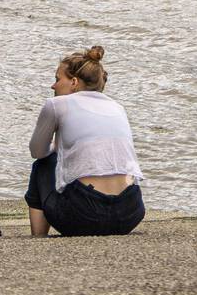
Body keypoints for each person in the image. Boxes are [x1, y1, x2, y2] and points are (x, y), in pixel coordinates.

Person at [25, 45, 145, 239]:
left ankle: (39, 238)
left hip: (84, 215)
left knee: (43, 164)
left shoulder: (56, 105)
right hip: (129, 212)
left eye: (57, 79)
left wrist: (57, 147)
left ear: (74, 82)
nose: (53, 86)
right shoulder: (117, 107)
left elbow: (37, 151)